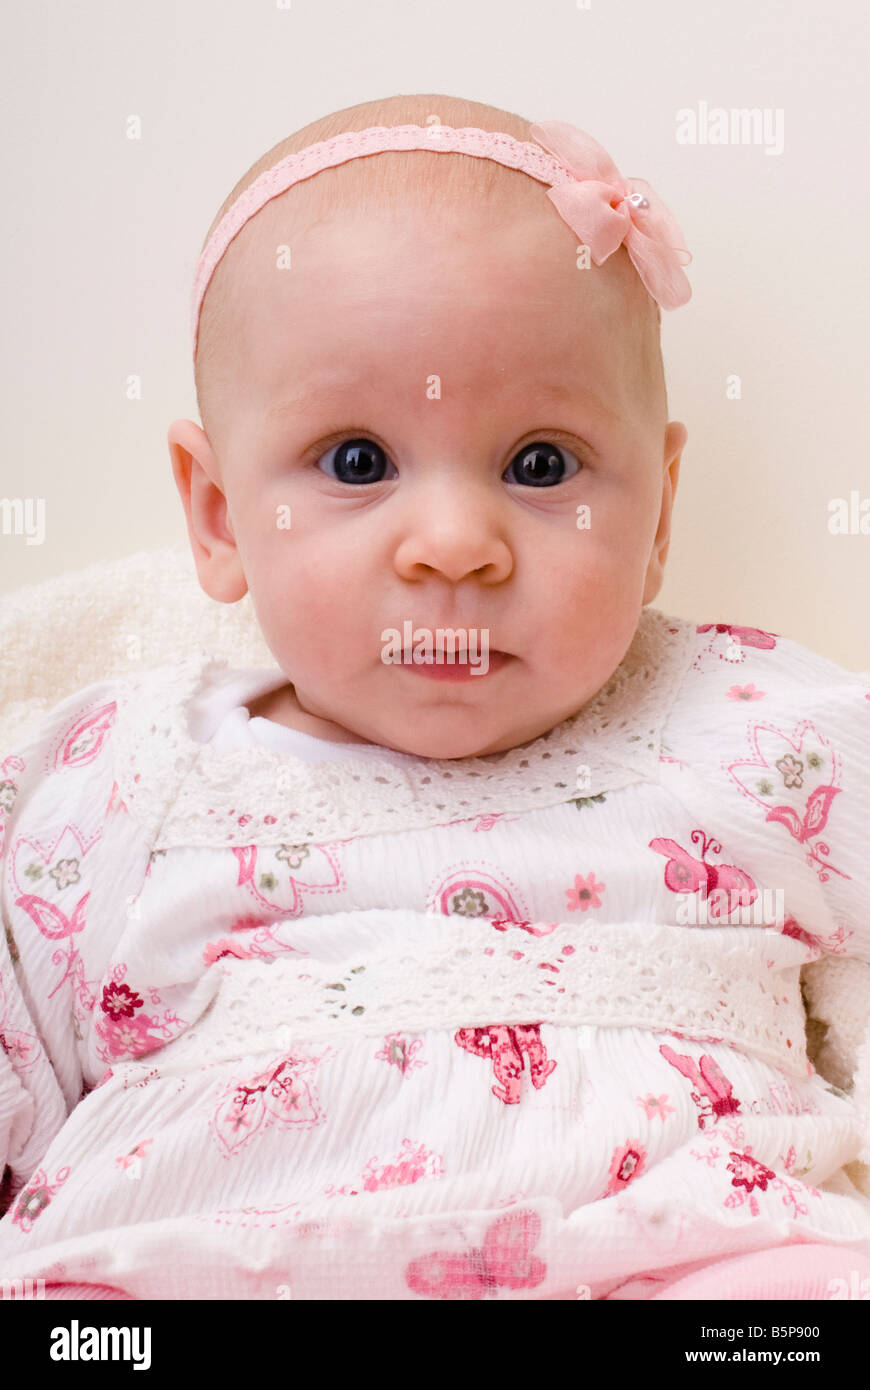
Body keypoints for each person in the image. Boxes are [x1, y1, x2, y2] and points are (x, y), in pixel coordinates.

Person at [1, 92, 868, 1301]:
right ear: (217, 515)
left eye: (541, 465)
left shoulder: (750, 725)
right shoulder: (120, 775)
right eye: (357, 463)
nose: (456, 544)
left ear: (659, 511)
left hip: (686, 1254)